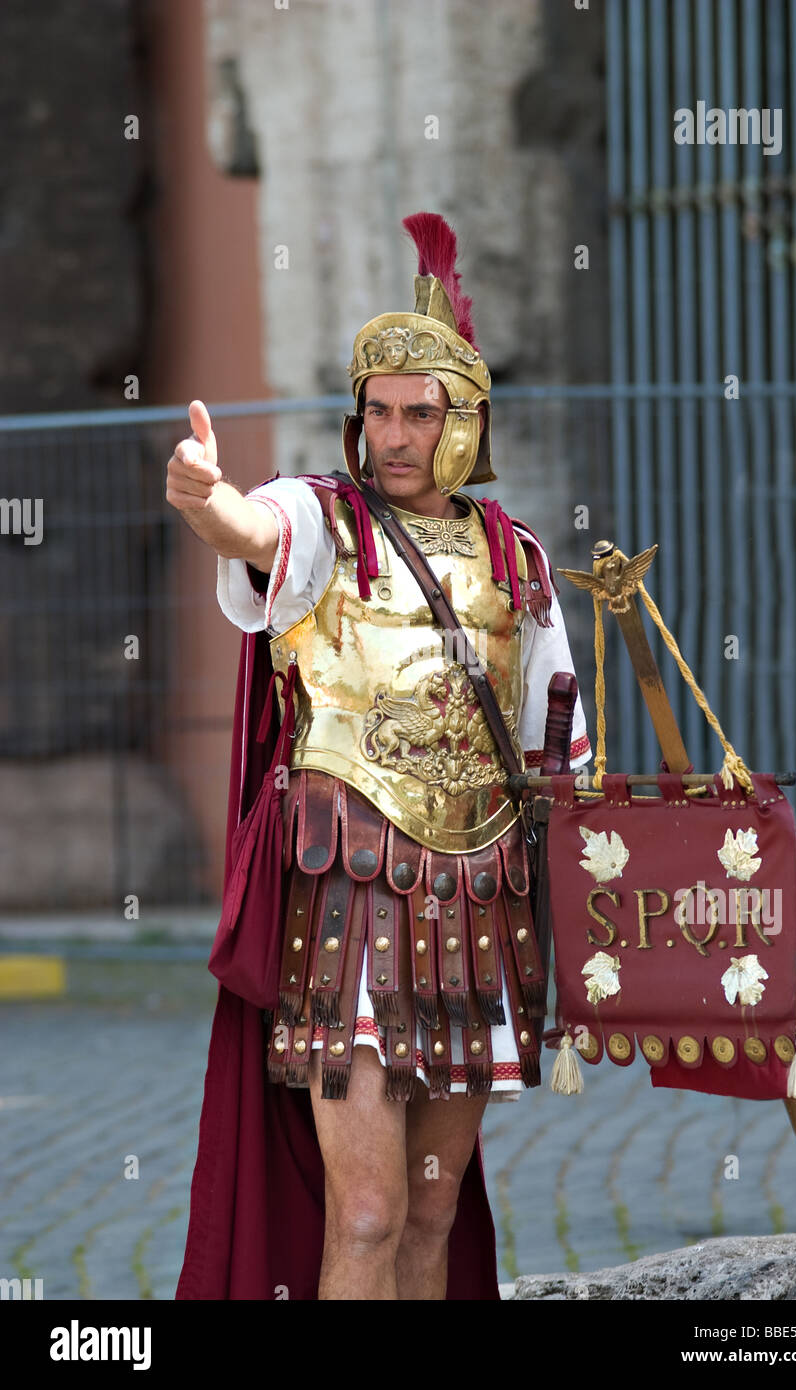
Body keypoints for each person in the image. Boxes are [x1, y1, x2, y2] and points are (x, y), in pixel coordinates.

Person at [168, 213, 591, 1300]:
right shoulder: (323, 521)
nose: (394, 433)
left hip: (481, 898)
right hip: (352, 897)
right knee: (365, 1208)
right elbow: (253, 533)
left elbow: (560, 735)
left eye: (420, 412)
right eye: (378, 410)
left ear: (463, 423)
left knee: (434, 1206)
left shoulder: (517, 558)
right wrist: (207, 499)